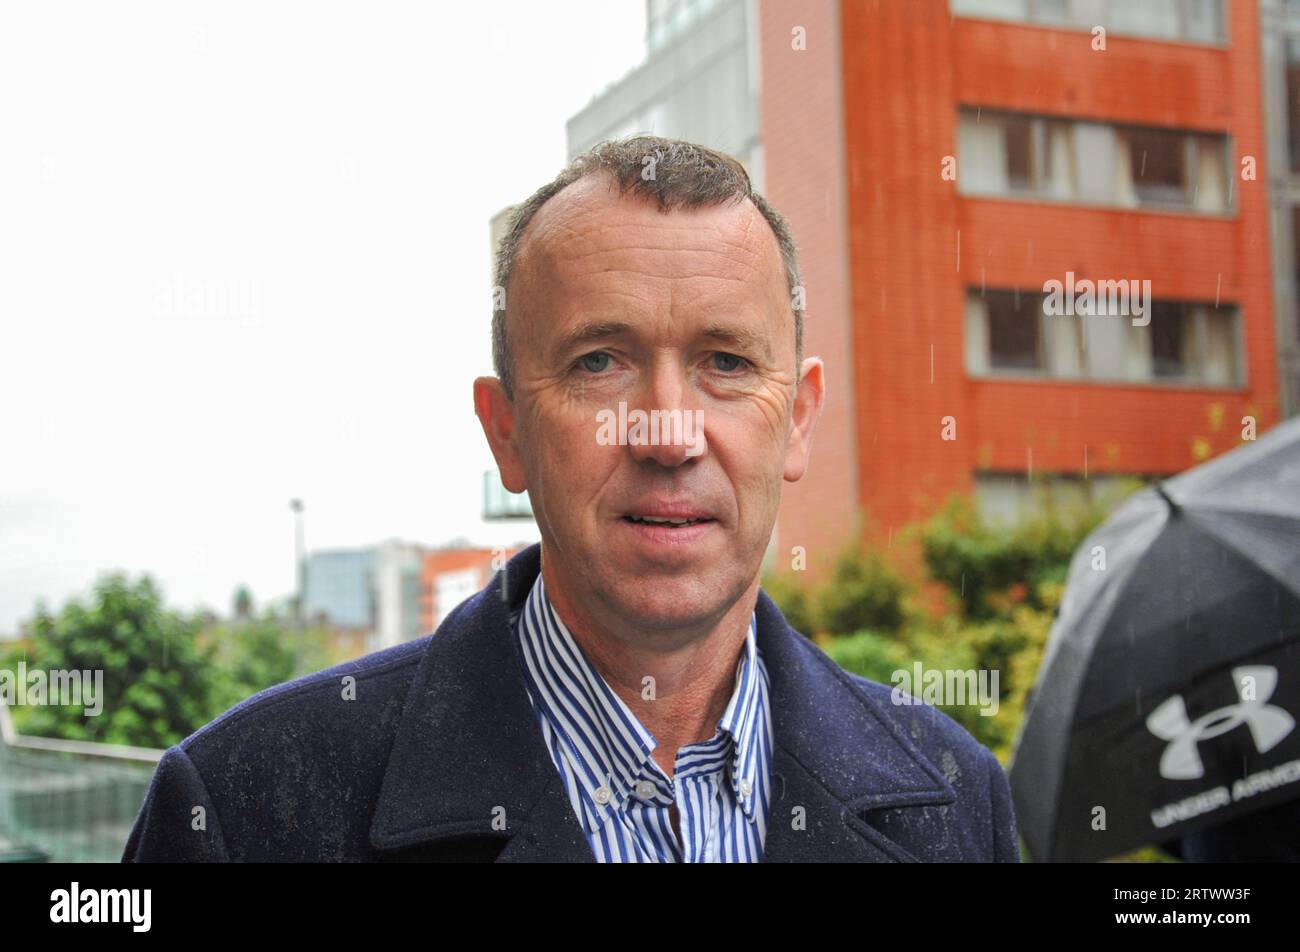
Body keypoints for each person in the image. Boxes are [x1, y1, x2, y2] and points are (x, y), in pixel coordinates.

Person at [122, 136, 1019, 862]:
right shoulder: (247, 812)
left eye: (727, 364)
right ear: (506, 430)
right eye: (600, 363)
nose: (669, 436)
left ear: (798, 421)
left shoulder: (956, 798)